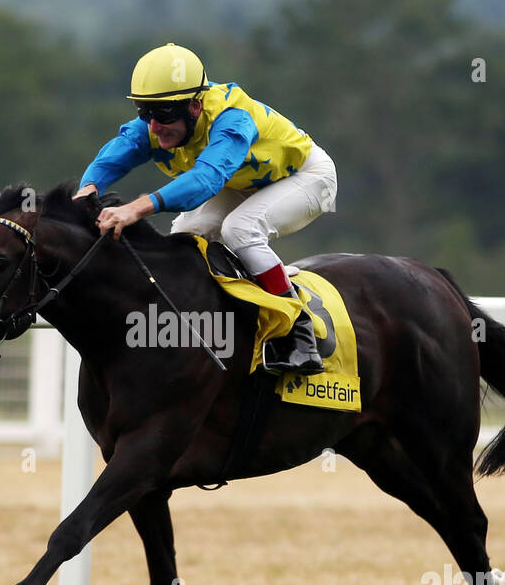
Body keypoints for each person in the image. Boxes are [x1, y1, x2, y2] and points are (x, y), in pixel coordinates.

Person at [76, 42, 338, 374]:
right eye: (146, 112)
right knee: (185, 235)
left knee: (239, 229)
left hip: (306, 176)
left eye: (164, 115)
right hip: (245, 181)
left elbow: (206, 180)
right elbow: (122, 148)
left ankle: (298, 331)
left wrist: (136, 208)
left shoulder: (232, 120)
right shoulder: (163, 119)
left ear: (196, 107)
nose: (154, 126)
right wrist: (88, 187)